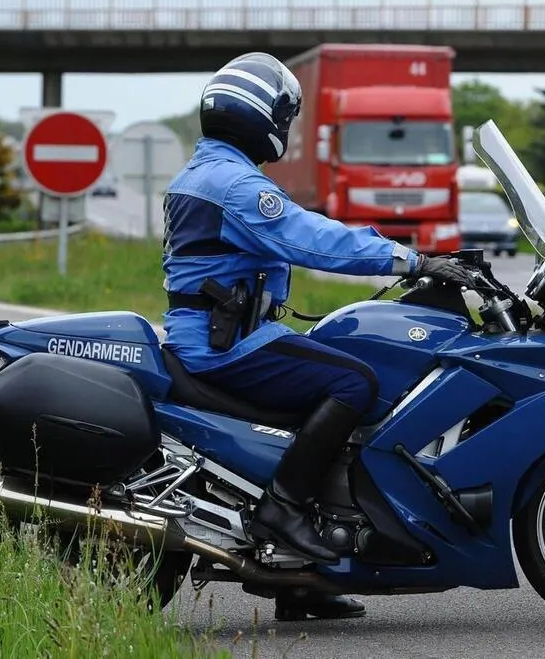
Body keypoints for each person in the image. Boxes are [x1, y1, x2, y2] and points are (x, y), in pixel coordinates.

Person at [161, 52, 474, 621]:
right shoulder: (234, 184)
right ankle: (283, 513)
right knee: (355, 382)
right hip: (222, 346)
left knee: (340, 362)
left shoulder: (206, 172)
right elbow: (315, 239)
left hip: (220, 333)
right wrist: (413, 261)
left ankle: (304, 579)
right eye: (283, 113)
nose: (286, 126)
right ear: (258, 114)